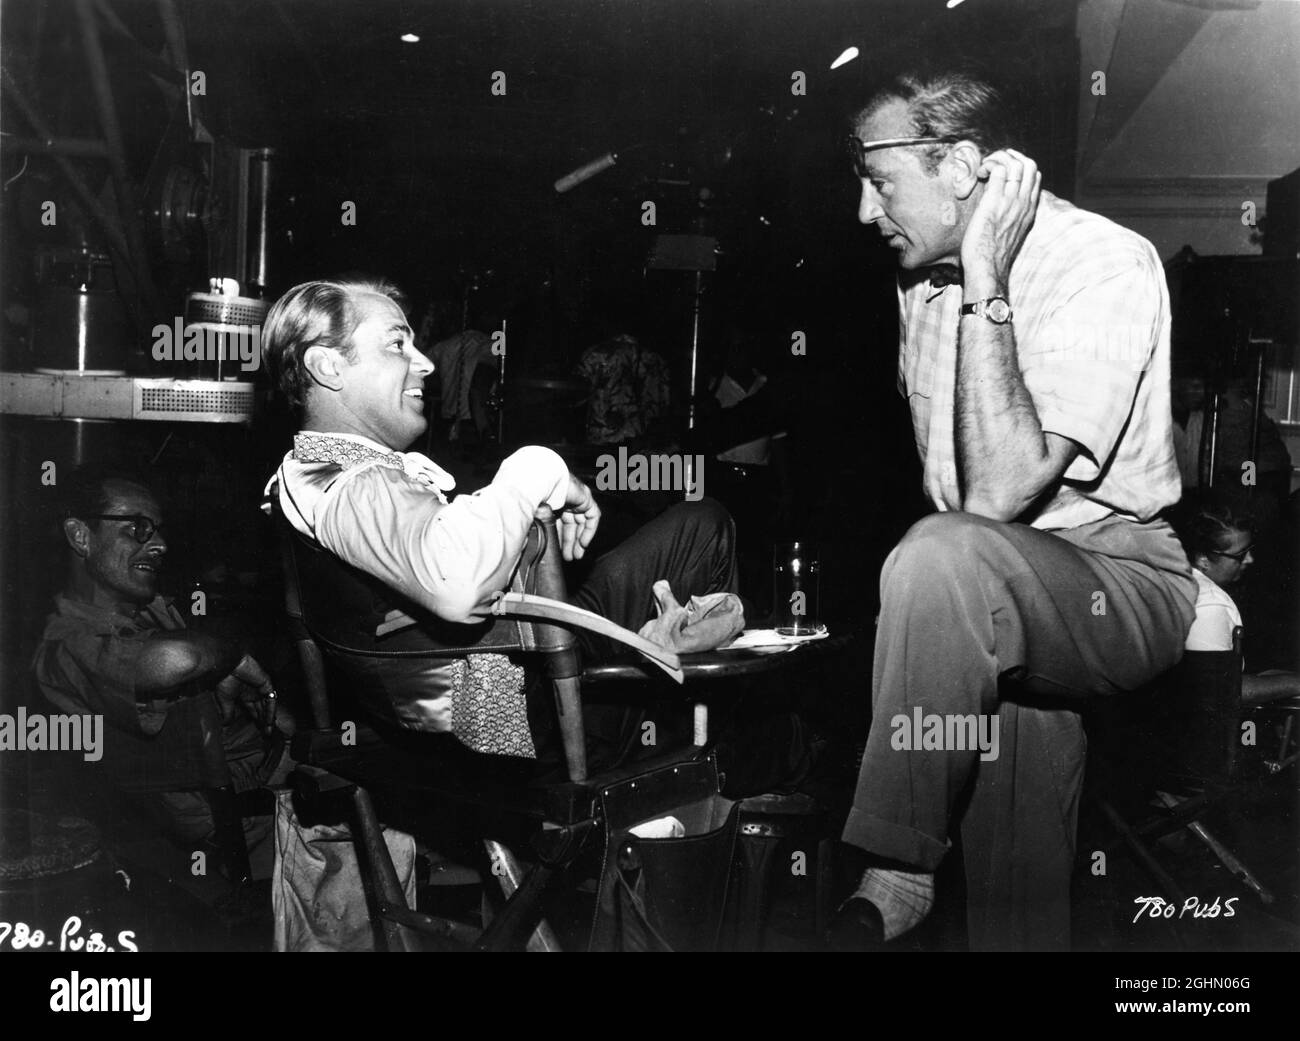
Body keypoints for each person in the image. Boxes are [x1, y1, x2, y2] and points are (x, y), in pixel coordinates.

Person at [829, 70, 1197, 951]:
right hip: (991, 596)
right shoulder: (918, 281)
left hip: (1116, 580)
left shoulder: (1100, 261)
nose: (863, 212)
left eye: (880, 183)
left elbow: (998, 492)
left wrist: (988, 271)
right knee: (1019, 907)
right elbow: (967, 503)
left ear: (961, 166)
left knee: (942, 554)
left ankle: (896, 864)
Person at [260, 278, 741, 764]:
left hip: (503, 669)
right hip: (510, 719)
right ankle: (716, 774)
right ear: (327, 366)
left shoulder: (313, 475)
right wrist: (537, 465)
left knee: (699, 528)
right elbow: (455, 583)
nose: (425, 363)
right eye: (397, 344)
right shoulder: (347, 482)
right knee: (765, 735)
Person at [32, 467, 291, 862]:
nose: (161, 545)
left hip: (268, 785)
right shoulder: (65, 646)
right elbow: (178, 659)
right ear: (80, 536)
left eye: (157, 529)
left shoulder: (151, 610)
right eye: (138, 528)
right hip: (250, 822)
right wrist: (231, 656)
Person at [1172, 496, 1300, 705]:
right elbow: (1222, 692)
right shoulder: (1209, 604)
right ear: (1203, 559)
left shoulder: (1177, 578)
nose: (1250, 560)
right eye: (1240, 555)